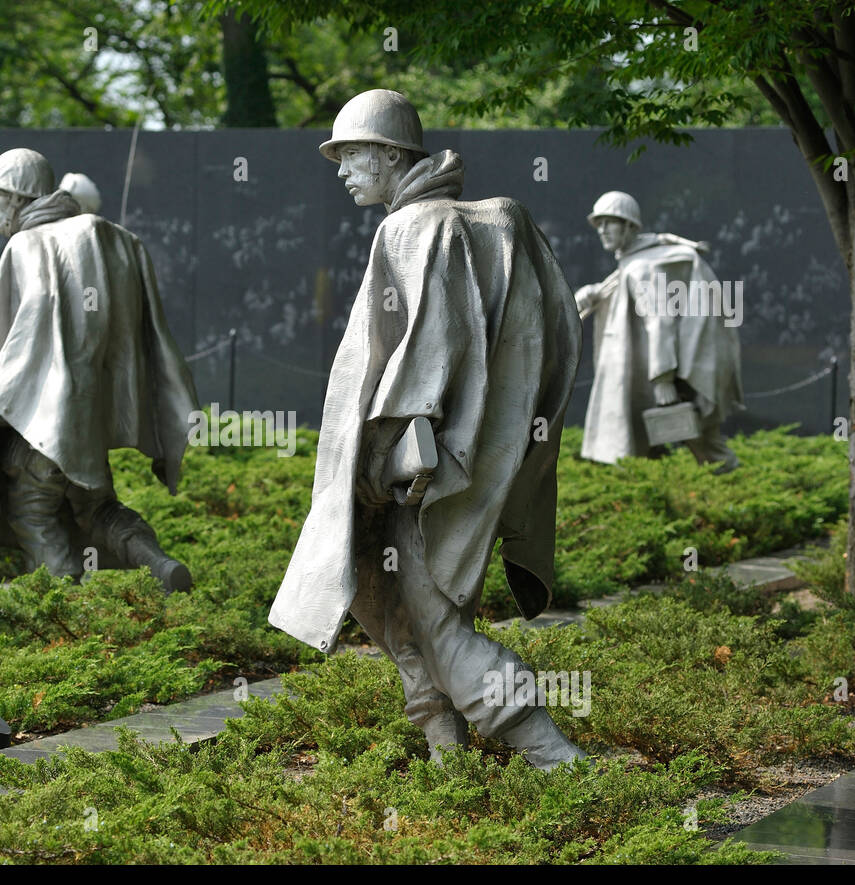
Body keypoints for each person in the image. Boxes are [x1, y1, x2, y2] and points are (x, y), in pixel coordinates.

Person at [269, 90, 587, 770]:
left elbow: (422, 356)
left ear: (391, 155)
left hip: (417, 472)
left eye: (352, 154)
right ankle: (448, 761)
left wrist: (383, 462)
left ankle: (555, 756)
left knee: (435, 623)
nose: (342, 170)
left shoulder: (412, 228)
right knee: (394, 609)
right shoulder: (489, 222)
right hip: (464, 462)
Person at [0, 148, 198, 593]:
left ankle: (62, 596)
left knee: (31, 509)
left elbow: (11, 342)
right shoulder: (115, 237)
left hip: (43, 416)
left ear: (20, 196)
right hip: (92, 415)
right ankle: (158, 563)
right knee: (98, 507)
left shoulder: (27, 245)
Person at [575, 191, 744, 469]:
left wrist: (663, 379)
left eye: (610, 222)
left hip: (664, 378)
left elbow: (659, 319)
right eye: (599, 224)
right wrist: (596, 292)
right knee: (650, 445)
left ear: (629, 226)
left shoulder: (642, 267)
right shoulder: (637, 260)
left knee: (704, 445)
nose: (602, 230)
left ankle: (733, 488)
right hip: (649, 373)